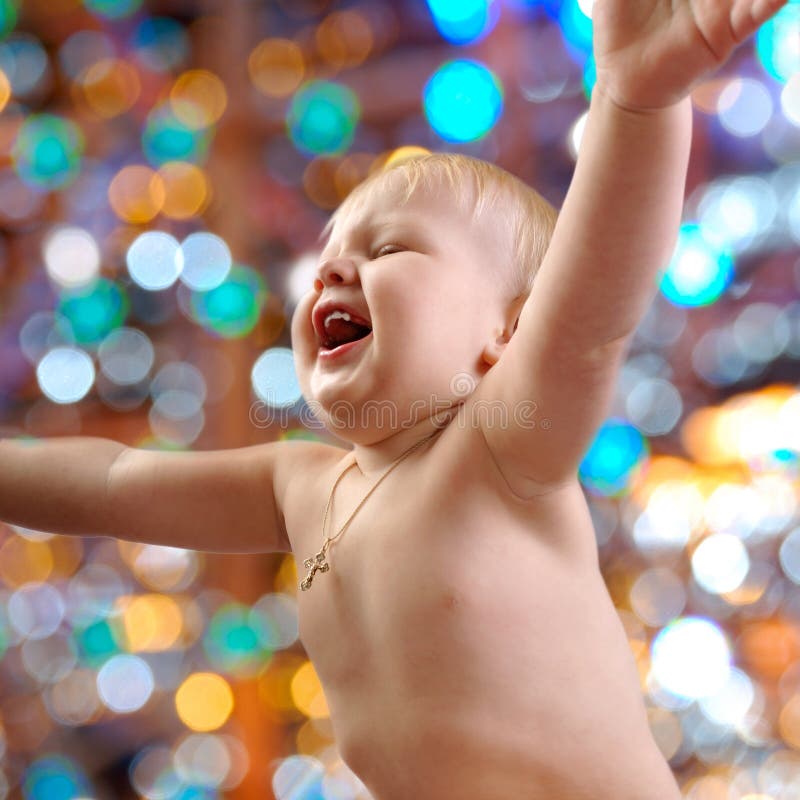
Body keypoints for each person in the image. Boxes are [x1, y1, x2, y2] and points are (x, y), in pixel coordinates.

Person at [0, 2, 787, 797]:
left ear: (508, 336)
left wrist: (636, 98)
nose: (332, 273)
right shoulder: (299, 486)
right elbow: (112, 484)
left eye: (389, 248)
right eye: (328, 260)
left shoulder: (500, 448)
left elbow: (595, 295)